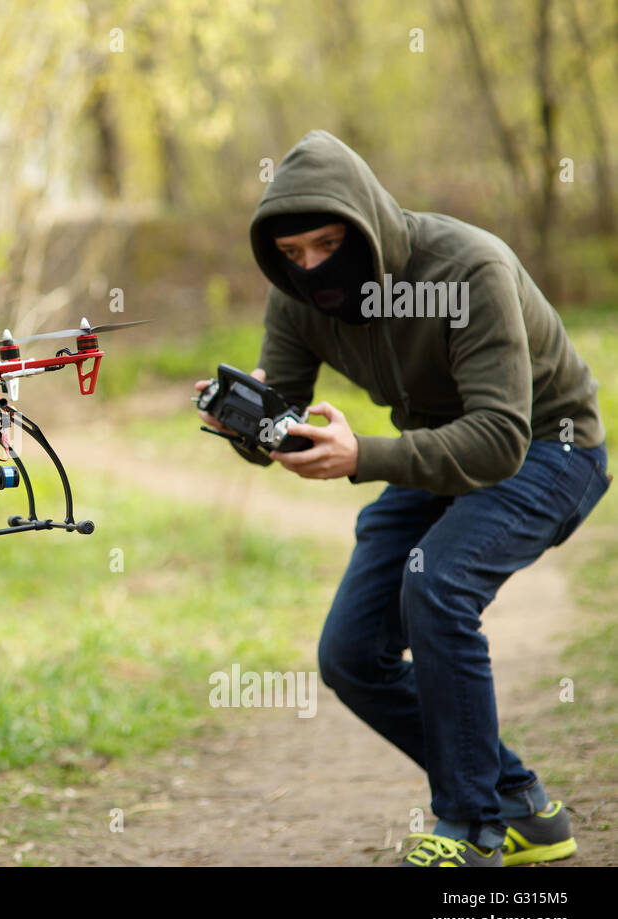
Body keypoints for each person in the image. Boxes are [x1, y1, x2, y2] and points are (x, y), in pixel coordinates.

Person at [196, 130, 611, 866]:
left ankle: (474, 829)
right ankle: (523, 808)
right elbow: (284, 413)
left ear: (365, 224)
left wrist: (365, 458)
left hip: (551, 445)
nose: (313, 267)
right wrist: (246, 421)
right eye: (292, 255)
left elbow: (498, 441)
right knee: (351, 653)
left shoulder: (467, 266)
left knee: (438, 578)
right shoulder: (298, 299)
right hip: (434, 450)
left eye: (328, 244)